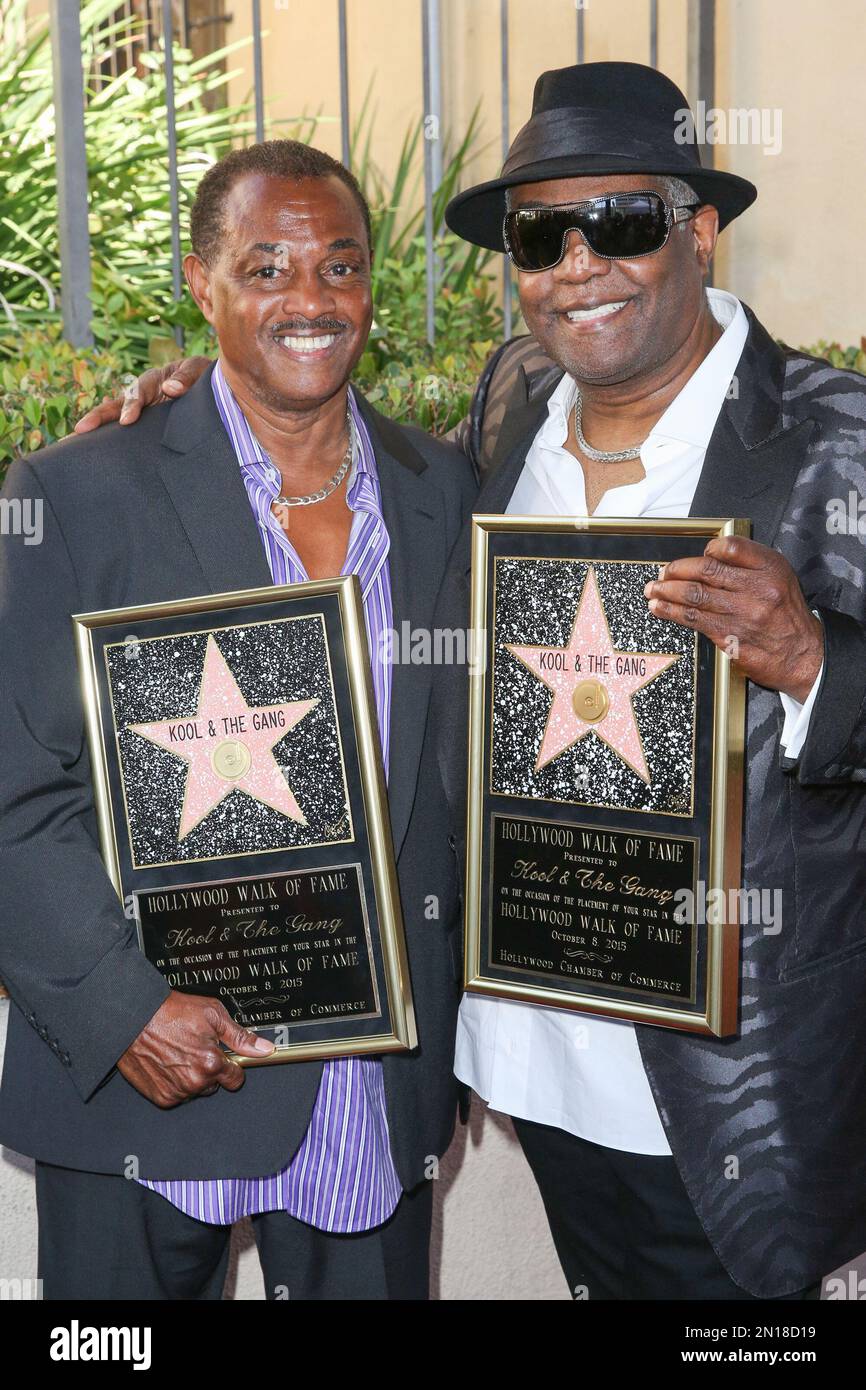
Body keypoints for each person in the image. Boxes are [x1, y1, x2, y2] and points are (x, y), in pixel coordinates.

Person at [73, 63, 866, 1301]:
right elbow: (333, 460)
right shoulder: (512, 407)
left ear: (700, 230)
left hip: (724, 1097)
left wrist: (818, 661)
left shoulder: (834, 437)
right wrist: (198, 390)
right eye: (539, 234)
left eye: (620, 223)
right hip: (531, 1063)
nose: (576, 265)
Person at [0, 140, 474, 1301]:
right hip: (149, 1068)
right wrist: (124, 1010)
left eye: (339, 266)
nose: (308, 300)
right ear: (199, 282)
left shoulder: (443, 490)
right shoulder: (74, 492)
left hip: (370, 1071)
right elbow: (17, 784)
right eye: (265, 268)